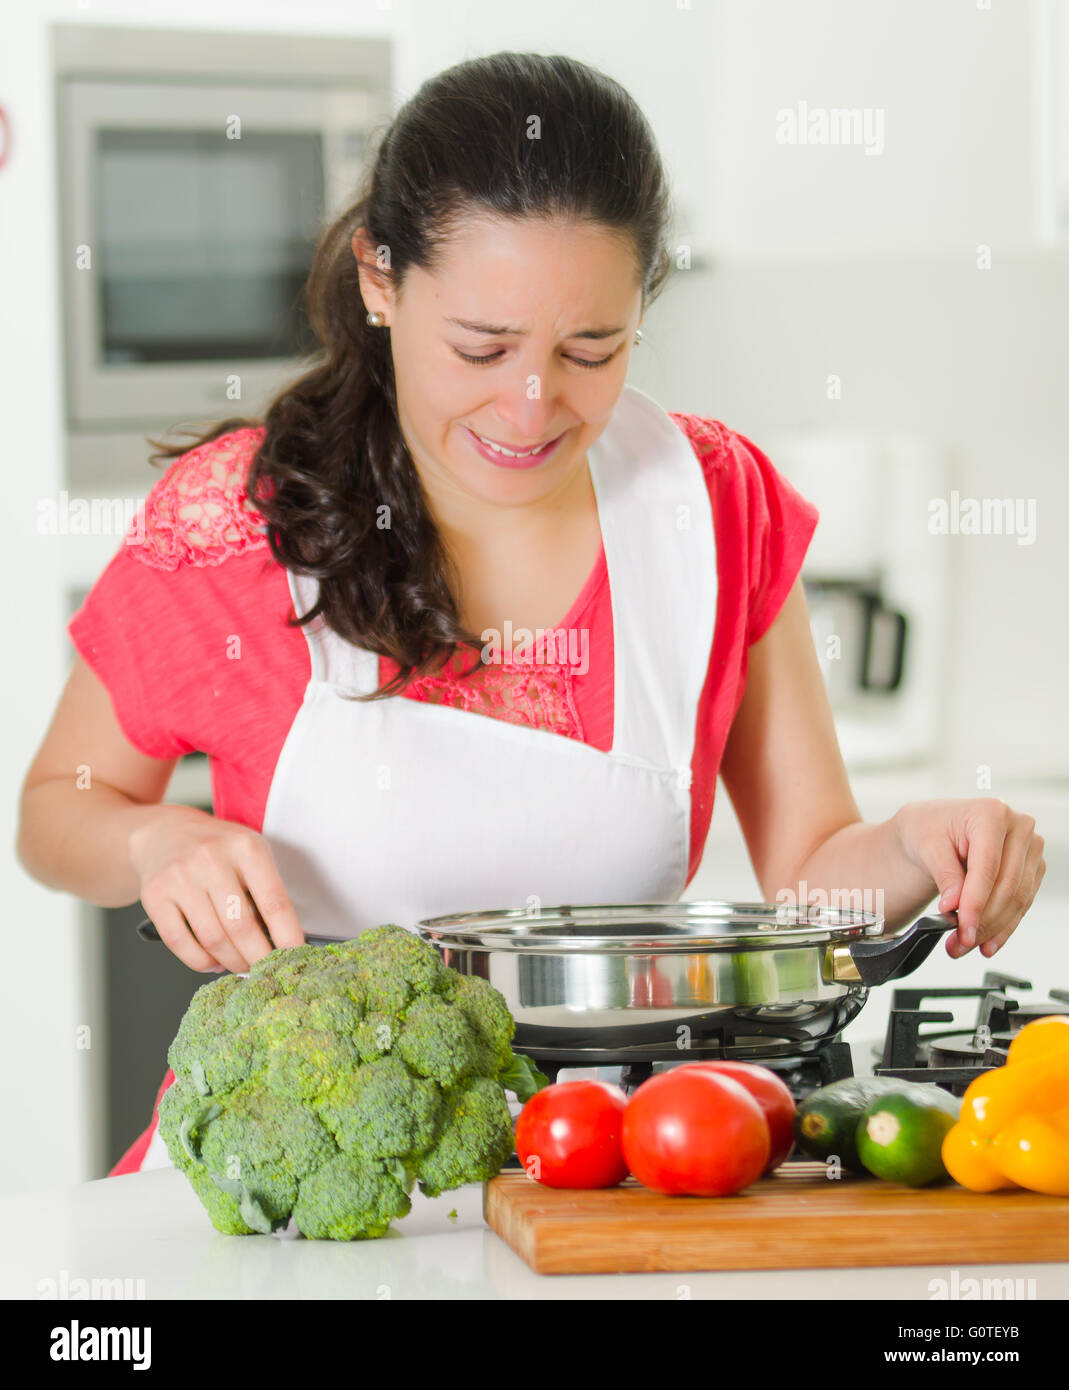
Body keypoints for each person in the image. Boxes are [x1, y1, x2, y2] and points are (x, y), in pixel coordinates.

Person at [16, 53, 1045, 1175]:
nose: (529, 404)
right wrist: (157, 836)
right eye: (481, 346)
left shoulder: (713, 503)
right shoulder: (238, 518)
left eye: (588, 350)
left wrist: (915, 844)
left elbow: (808, 876)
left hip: (608, 1162)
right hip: (305, 1164)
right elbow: (55, 810)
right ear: (380, 278)